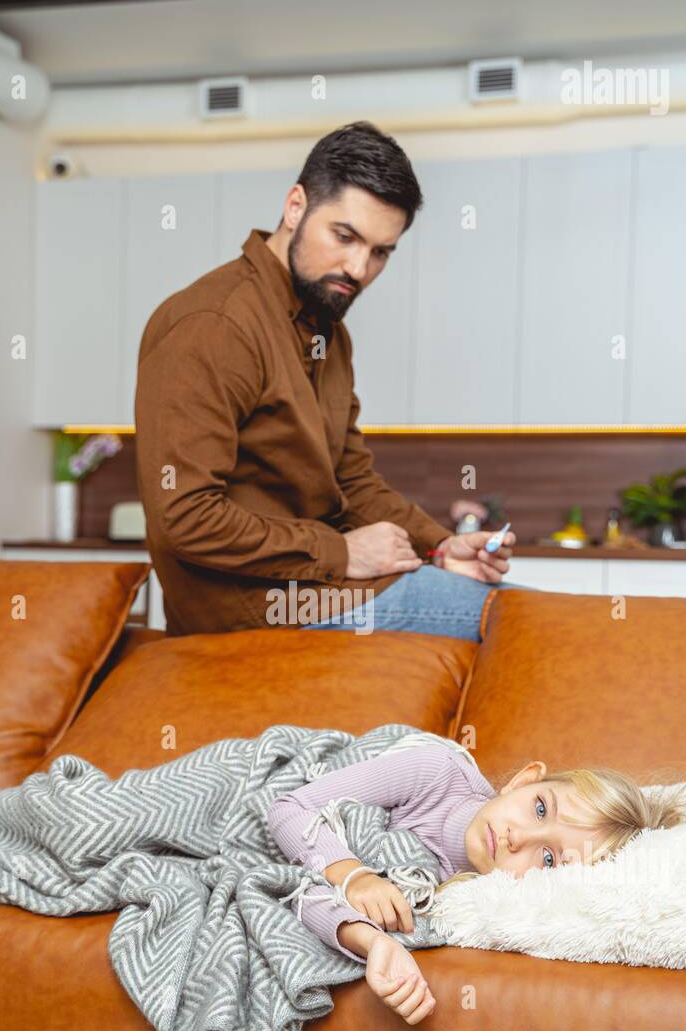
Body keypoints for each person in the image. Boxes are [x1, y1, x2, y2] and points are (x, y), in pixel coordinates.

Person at [134, 119, 527, 641]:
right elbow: (182, 517)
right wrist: (342, 551)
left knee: (532, 626)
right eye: (345, 236)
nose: (359, 268)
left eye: (381, 251)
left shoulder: (328, 332)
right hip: (252, 609)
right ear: (295, 206)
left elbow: (350, 481)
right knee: (527, 629)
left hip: (328, 588)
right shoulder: (213, 325)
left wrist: (438, 546)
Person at [265, 740, 686, 1027]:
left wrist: (376, 943)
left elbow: (308, 897)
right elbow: (289, 809)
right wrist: (354, 874)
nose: (520, 836)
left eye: (549, 857)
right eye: (540, 809)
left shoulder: (468, 899)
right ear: (524, 780)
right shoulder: (435, 771)